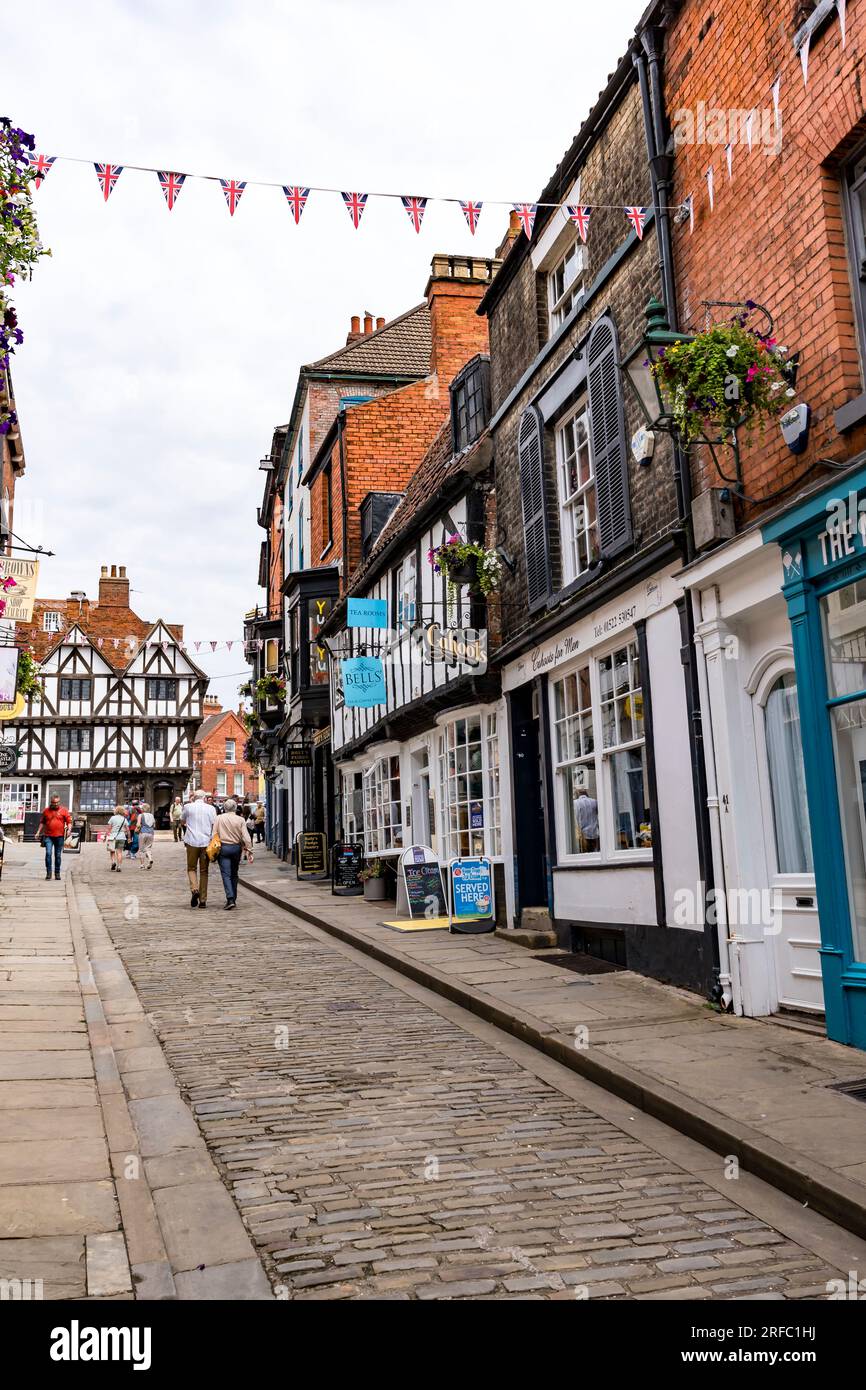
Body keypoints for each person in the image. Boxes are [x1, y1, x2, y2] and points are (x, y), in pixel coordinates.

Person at [213, 797, 253, 910]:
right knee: (234, 874)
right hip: (236, 848)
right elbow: (246, 837)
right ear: (235, 808)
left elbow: (214, 834)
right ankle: (233, 898)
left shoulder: (219, 818)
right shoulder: (240, 820)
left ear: (224, 808)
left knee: (226, 874)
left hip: (223, 848)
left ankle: (230, 898)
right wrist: (249, 850)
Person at [182, 788, 216, 909]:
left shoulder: (188, 807)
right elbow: (214, 824)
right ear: (204, 798)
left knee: (191, 868)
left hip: (191, 841)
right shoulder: (211, 808)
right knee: (204, 871)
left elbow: (182, 820)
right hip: (206, 842)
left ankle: (195, 889)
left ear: (194, 797)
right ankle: (203, 900)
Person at [38, 795, 72, 881]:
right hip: (48, 836)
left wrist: (69, 830)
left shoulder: (64, 810)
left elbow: (69, 822)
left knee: (58, 855)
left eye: (57, 802)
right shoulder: (46, 811)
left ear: (59, 802)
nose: (56, 804)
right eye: (54, 803)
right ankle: (48, 873)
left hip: (59, 837)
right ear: (51, 802)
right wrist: (38, 832)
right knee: (48, 854)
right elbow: (42, 822)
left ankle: (57, 873)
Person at [106, 805, 127, 871]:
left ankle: (113, 862)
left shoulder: (112, 818)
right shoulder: (124, 819)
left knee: (112, 851)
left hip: (113, 837)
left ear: (116, 811)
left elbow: (109, 828)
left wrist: (105, 835)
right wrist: (129, 837)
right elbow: (127, 829)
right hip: (121, 837)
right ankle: (119, 866)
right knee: (119, 852)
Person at [138, 802, 156, 869]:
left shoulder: (140, 815)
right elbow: (154, 825)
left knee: (141, 850)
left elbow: (138, 825)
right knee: (148, 848)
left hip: (143, 832)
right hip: (151, 833)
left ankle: (142, 865)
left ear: (142, 809)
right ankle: (150, 859)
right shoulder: (152, 815)